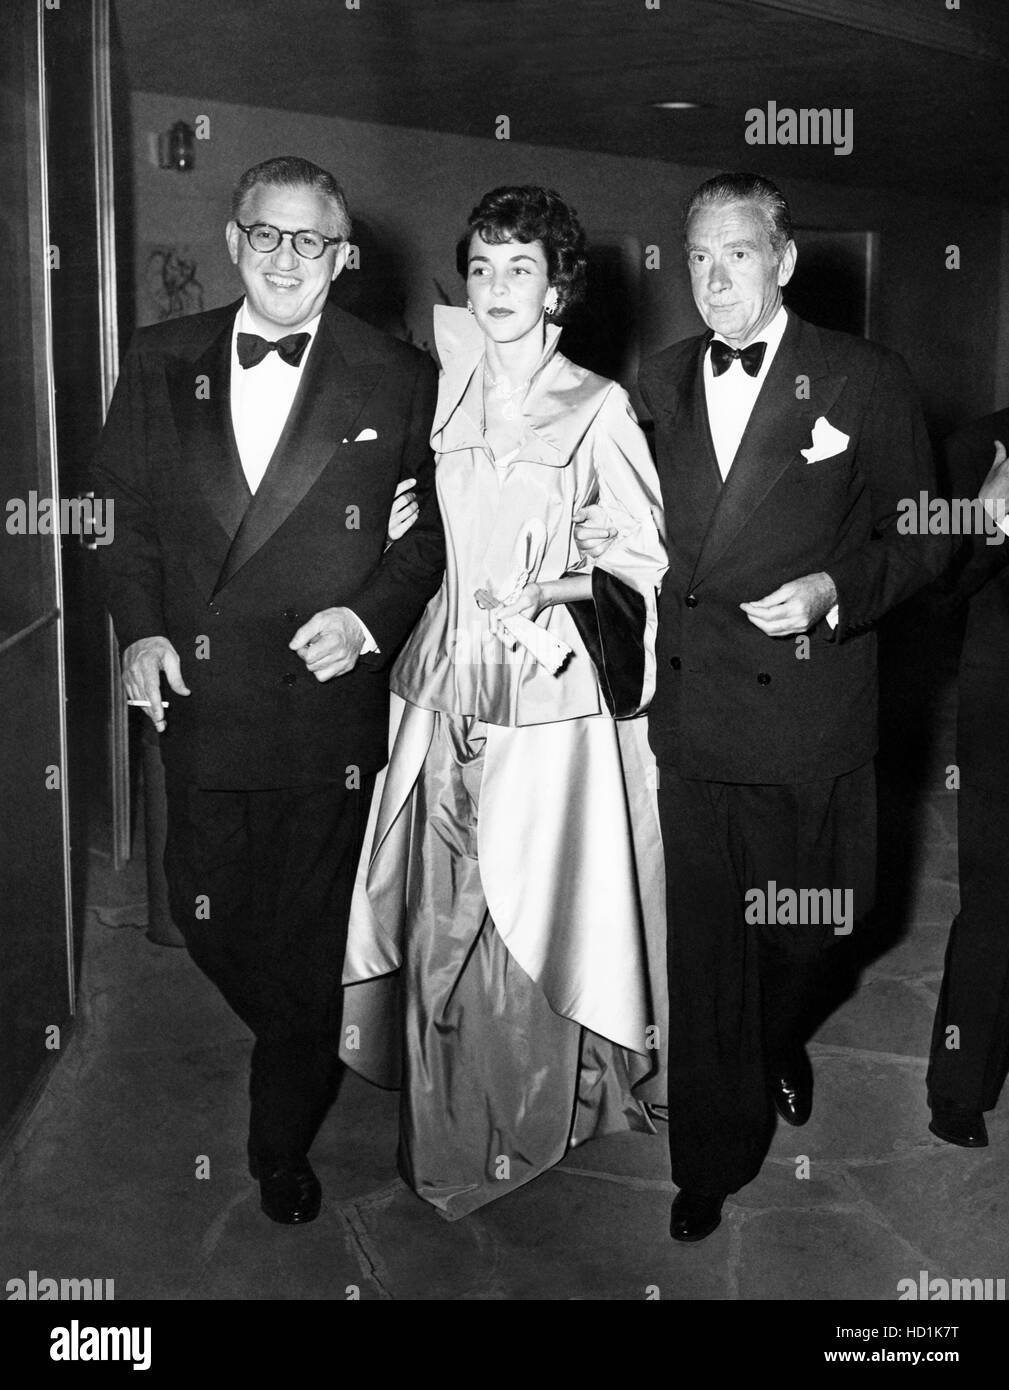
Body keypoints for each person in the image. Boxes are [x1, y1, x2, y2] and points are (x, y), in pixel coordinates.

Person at [92, 155, 445, 1225]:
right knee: (205, 911)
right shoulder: (158, 360)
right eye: (269, 236)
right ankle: (303, 1029)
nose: (289, 259)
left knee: (300, 928)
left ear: (344, 259)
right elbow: (124, 517)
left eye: (313, 242)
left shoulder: (402, 374)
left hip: (322, 712)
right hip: (198, 700)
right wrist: (142, 633)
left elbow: (427, 536)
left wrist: (369, 616)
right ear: (236, 242)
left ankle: (278, 1139)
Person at [341, 186, 668, 1220]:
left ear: (557, 283)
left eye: (518, 268)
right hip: (443, 681)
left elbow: (643, 561)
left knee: (530, 908)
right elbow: (416, 521)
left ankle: (533, 1110)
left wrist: (557, 583)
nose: (494, 288)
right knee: (440, 905)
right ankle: (445, 1130)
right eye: (479, 267)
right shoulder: (437, 393)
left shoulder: (598, 406)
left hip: (547, 699)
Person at [637, 171, 951, 1242]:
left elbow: (923, 534)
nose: (714, 279)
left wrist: (834, 589)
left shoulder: (862, 379)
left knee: (820, 922)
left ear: (782, 259)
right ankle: (709, 1155)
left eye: (736, 254)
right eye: (697, 259)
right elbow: (622, 526)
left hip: (811, 711)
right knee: (706, 944)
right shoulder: (658, 379)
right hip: (694, 717)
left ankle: (777, 1032)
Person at [927, 415, 1009, 1147]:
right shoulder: (979, 446)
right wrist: (987, 520)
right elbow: (934, 591)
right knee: (996, 898)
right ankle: (959, 1085)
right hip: (1004, 707)